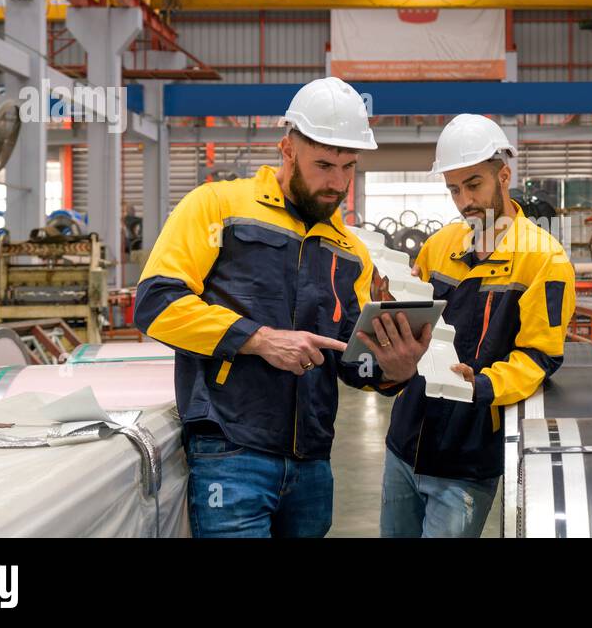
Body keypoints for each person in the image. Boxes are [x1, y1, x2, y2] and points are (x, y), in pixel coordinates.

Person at [135, 77, 431, 537]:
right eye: (324, 165)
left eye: (348, 167)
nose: (337, 183)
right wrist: (258, 340)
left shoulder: (349, 250)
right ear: (287, 148)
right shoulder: (216, 207)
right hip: (232, 451)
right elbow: (157, 304)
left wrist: (395, 369)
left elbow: (352, 361)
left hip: (313, 463)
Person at [380, 114, 576, 537]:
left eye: (474, 185)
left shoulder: (543, 260)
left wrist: (480, 385)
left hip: (466, 457)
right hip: (404, 443)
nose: (464, 200)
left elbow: (540, 356)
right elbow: (412, 323)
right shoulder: (439, 247)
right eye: (453, 189)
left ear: (503, 175)